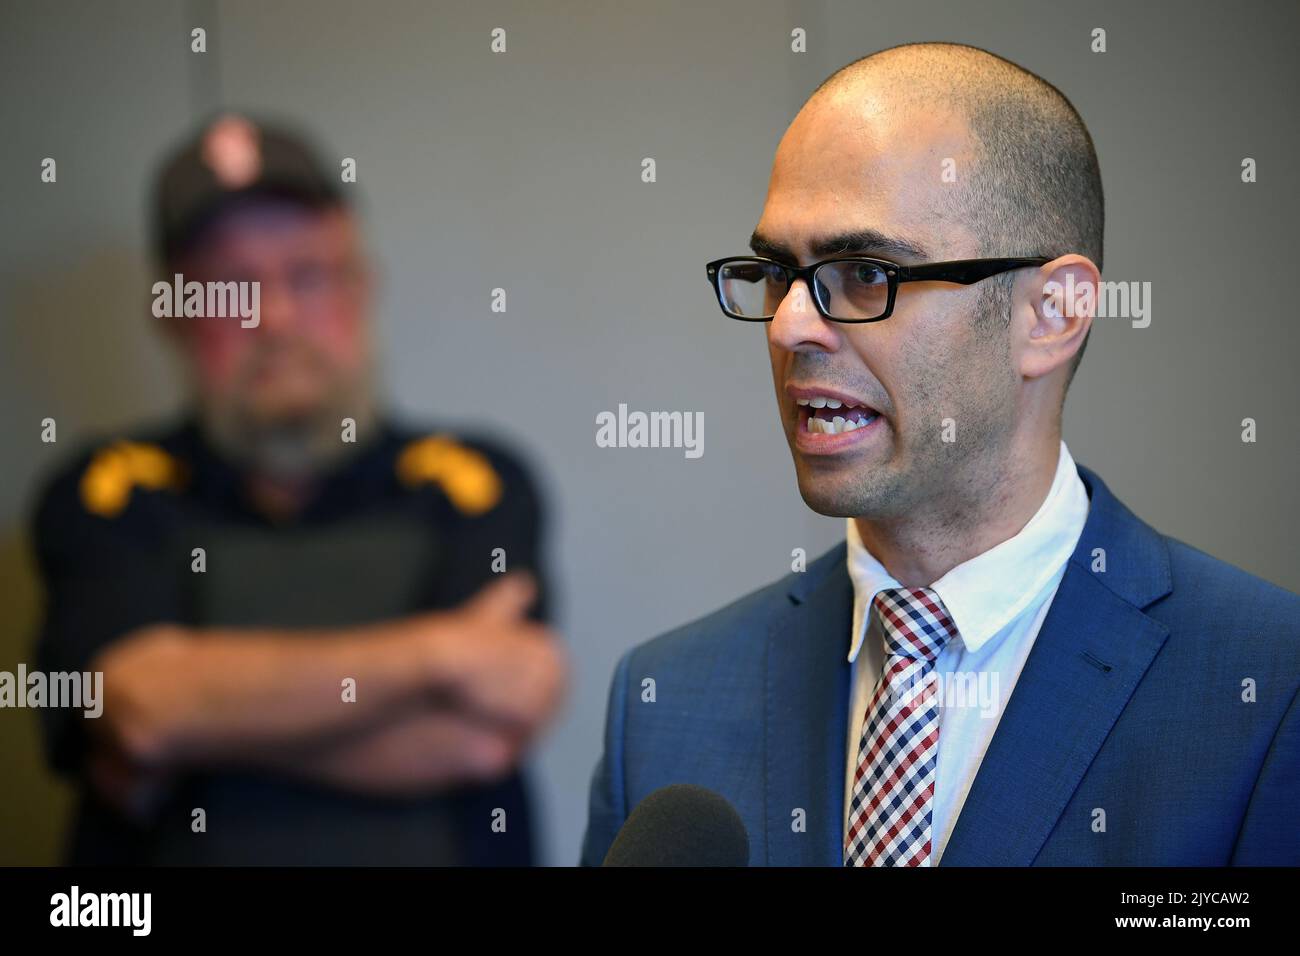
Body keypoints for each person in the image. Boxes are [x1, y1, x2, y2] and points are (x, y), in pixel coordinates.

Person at [581, 43, 1298, 866]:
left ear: (1052, 314)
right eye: (778, 272)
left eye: (865, 271)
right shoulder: (666, 703)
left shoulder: (1266, 690)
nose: (788, 326)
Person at [31, 114, 567, 865]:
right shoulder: (106, 491)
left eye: (307, 275)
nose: (275, 319)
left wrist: (202, 725)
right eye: (229, 289)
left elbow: (476, 741)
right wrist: (440, 654)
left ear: (363, 285)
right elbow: (142, 710)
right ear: (170, 312)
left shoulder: (474, 482)